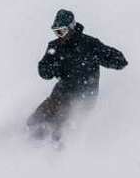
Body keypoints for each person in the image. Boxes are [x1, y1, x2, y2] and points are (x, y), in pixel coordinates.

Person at [27, 9, 127, 144]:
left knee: (60, 129)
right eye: (56, 32)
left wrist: (115, 59)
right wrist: (52, 68)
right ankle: (27, 147)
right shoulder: (54, 47)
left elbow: (116, 59)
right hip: (60, 94)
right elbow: (43, 70)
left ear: (71, 27)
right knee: (35, 121)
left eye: (61, 31)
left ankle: (59, 152)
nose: (59, 36)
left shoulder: (89, 45)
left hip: (83, 98)